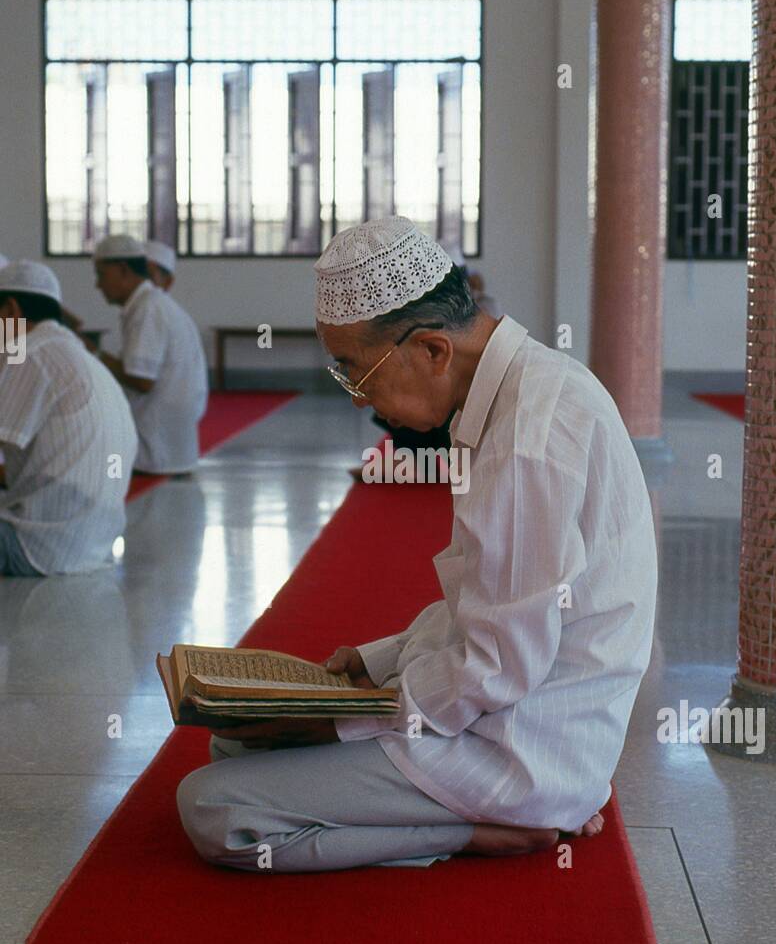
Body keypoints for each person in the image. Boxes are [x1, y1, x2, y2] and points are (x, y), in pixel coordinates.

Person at [177, 215, 658, 873]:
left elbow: (496, 669)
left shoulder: (526, 439)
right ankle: (460, 815)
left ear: (433, 350)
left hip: (521, 745)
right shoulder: (518, 390)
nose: (356, 400)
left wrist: (340, 722)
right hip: (501, 711)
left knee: (217, 809)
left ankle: (481, 830)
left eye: (355, 371)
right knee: (238, 747)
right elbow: (486, 606)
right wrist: (379, 664)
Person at [0, 261, 138, 575]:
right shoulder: (72, 352)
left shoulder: (29, 352)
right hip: (89, 542)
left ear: (10, 311)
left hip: (40, 544)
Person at [93, 234, 208, 475]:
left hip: (155, 448)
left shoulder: (148, 308)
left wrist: (92, 355)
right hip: (169, 441)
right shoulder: (151, 305)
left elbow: (141, 380)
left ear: (123, 270)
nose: (98, 285)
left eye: (102, 275)